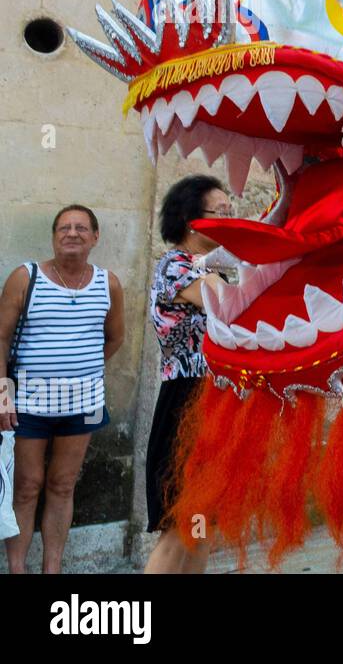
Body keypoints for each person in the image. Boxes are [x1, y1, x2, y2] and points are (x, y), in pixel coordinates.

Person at [0, 205, 124, 573]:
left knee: (63, 484)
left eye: (81, 228)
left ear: (95, 237)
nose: (72, 233)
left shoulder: (109, 283)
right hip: (28, 402)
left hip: (84, 403)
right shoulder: (27, 277)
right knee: (26, 485)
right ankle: (17, 569)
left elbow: (115, 338)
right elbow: (1, 337)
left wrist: (80, 369)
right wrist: (3, 396)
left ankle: (52, 569)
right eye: (64, 228)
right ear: (54, 236)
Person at [142, 175, 231, 574]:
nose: (230, 220)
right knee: (179, 522)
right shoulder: (176, 266)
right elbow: (225, 303)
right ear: (191, 219)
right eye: (222, 213)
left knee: (201, 524)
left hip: (214, 399)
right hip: (186, 402)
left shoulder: (209, 266)